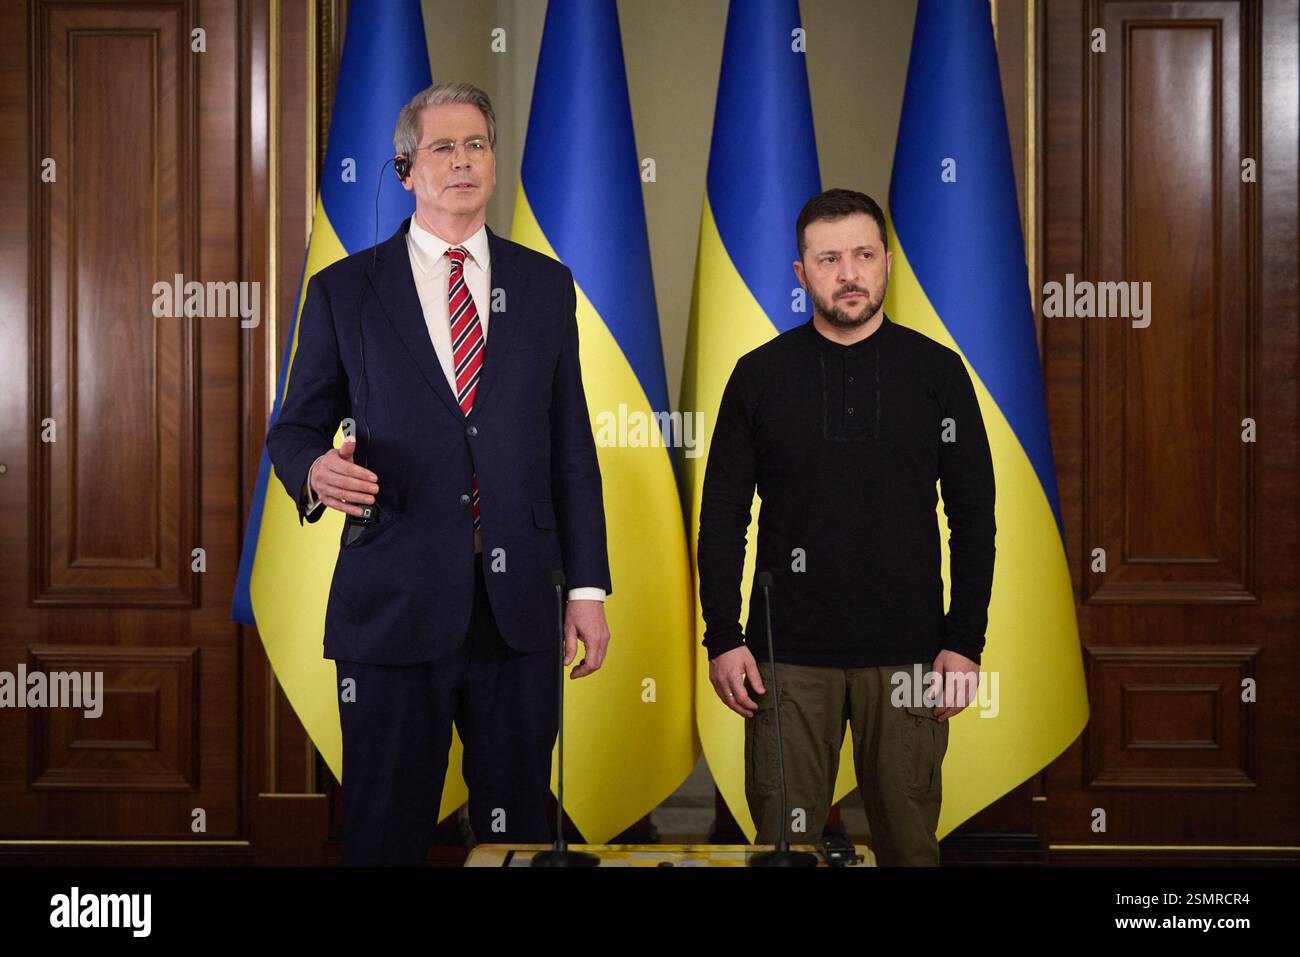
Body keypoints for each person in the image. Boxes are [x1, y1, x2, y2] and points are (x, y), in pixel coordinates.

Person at [267, 81, 612, 865]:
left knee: (516, 834)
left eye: (477, 144)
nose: (463, 161)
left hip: (519, 609)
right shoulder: (344, 291)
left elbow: (569, 445)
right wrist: (317, 470)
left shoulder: (544, 286)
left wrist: (587, 587)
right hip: (392, 607)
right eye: (442, 148)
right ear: (405, 171)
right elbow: (292, 429)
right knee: (386, 832)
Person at [697, 188, 995, 865]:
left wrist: (965, 640)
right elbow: (722, 517)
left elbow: (974, 515)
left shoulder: (938, 373)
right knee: (786, 848)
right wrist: (723, 636)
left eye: (863, 255)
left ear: (887, 263)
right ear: (801, 274)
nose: (849, 273)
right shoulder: (758, 377)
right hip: (788, 657)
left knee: (910, 845)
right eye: (828, 258)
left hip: (912, 653)